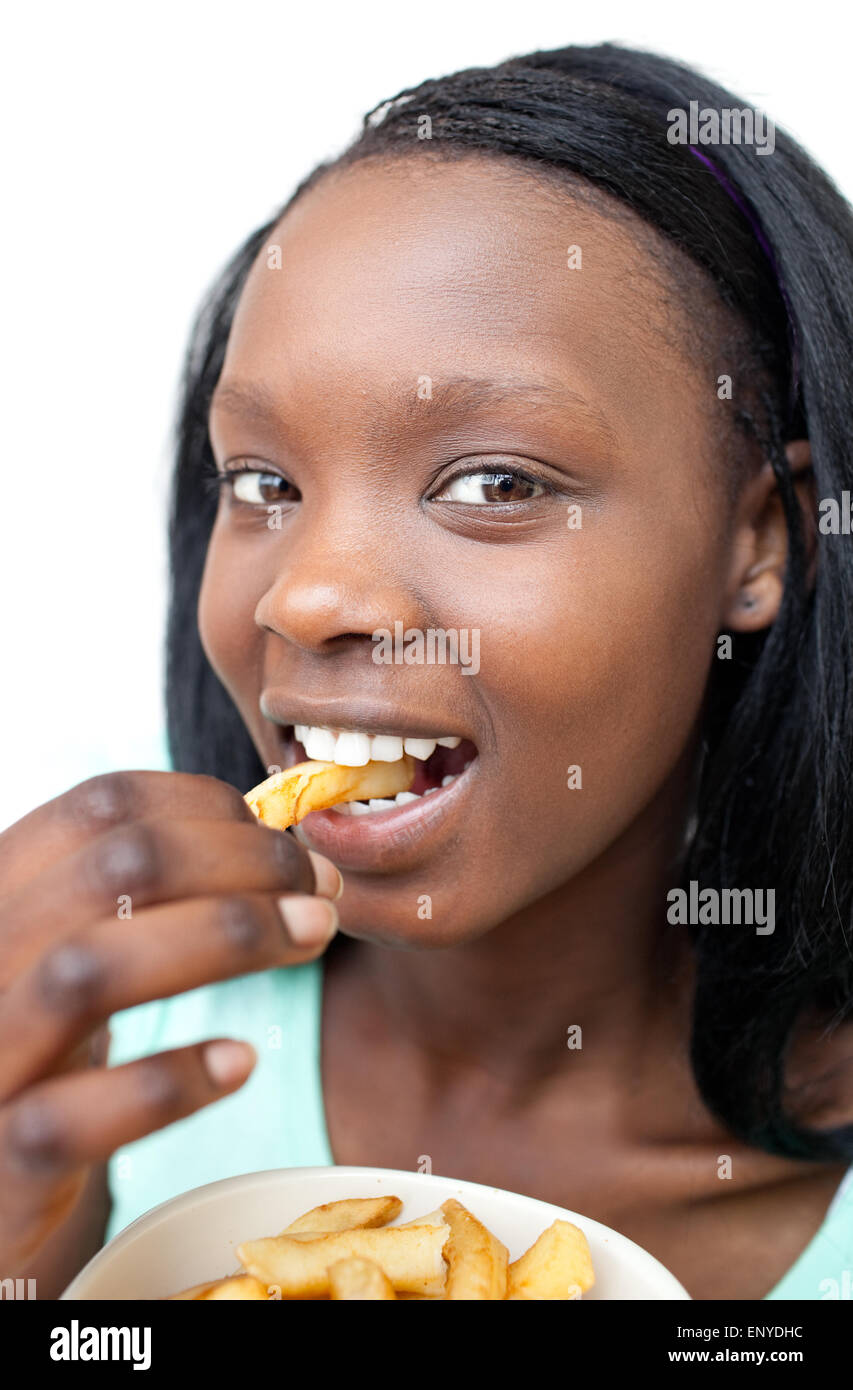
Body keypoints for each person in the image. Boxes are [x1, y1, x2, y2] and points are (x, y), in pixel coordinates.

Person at [3, 41, 852, 1301]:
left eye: (496, 483)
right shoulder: (101, 1021)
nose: (306, 595)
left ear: (759, 541)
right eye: (262, 483)